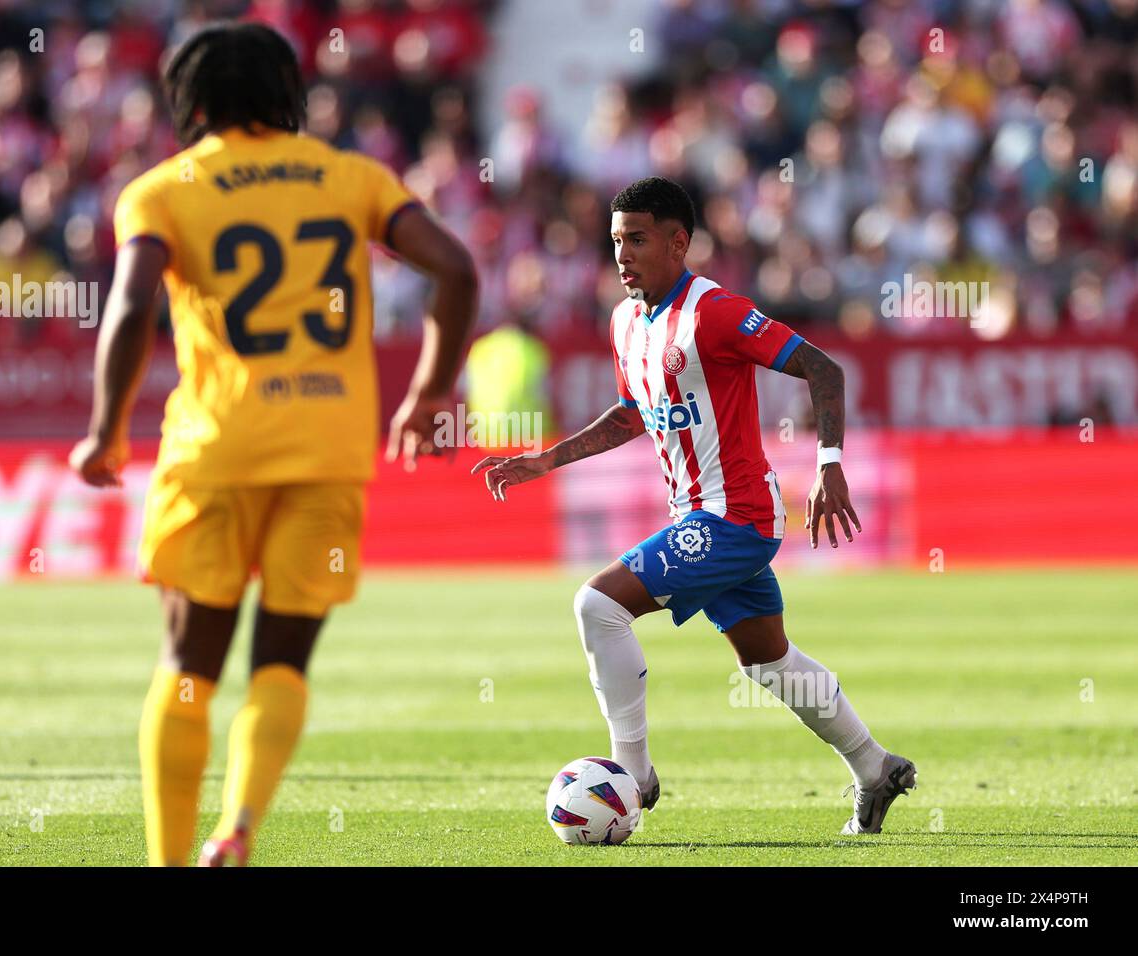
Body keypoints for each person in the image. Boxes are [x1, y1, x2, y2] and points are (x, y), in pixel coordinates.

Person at [69, 22, 476, 866]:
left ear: (192, 101)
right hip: (328, 450)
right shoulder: (352, 178)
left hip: (216, 449)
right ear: (287, 93)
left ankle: (170, 860)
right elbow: (457, 270)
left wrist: (105, 433)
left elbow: (132, 305)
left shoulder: (161, 190)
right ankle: (241, 824)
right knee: (283, 662)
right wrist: (431, 392)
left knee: (187, 664)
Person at [472, 176, 915, 835]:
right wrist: (547, 460)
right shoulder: (625, 321)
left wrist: (828, 465)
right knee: (768, 660)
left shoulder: (717, 312)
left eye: (639, 240)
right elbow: (631, 415)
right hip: (696, 515)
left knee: (598, 605)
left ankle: (633, 776)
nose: (623, 254)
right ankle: (876, 768)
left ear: (679, 243)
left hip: (735, 516)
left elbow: (825, 369)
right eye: (617, 240)